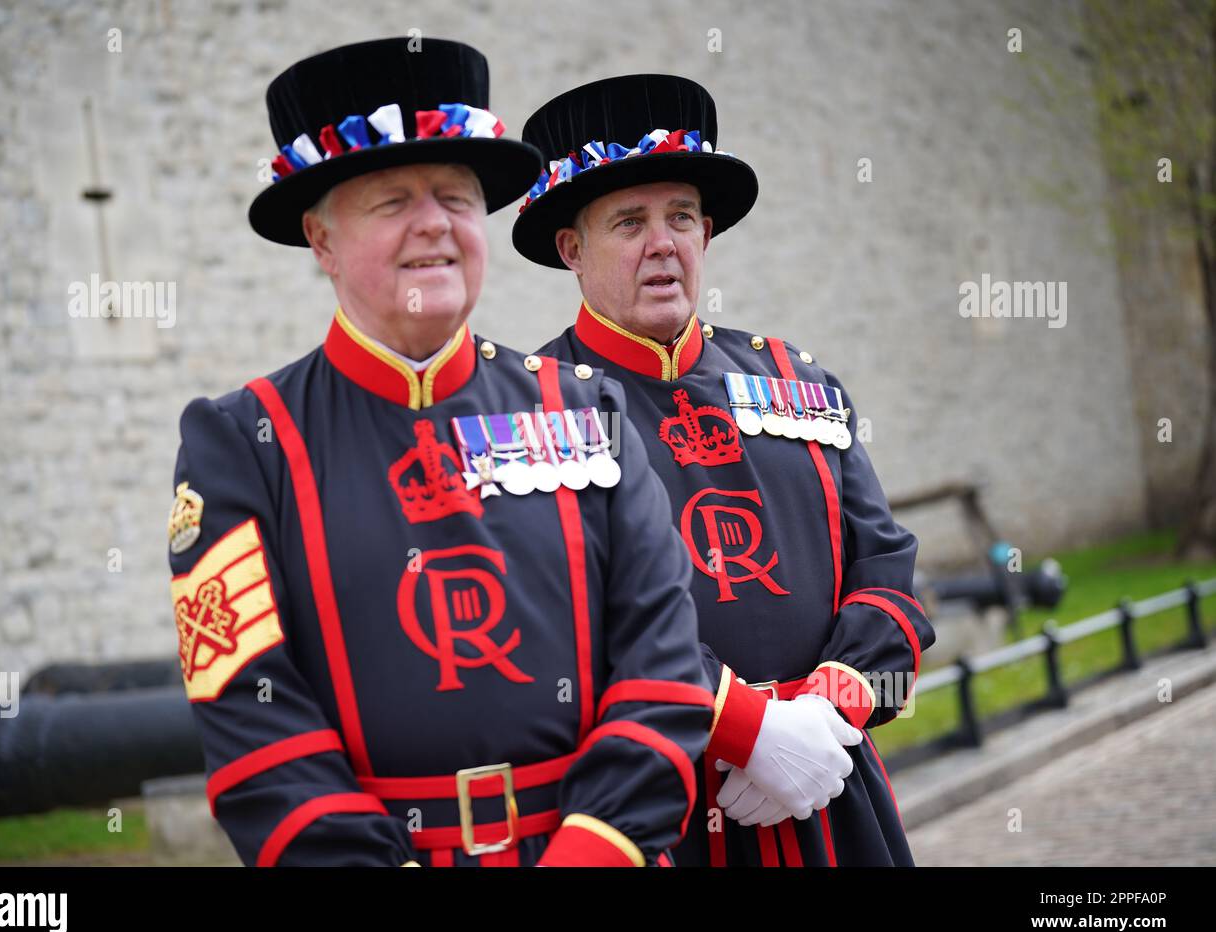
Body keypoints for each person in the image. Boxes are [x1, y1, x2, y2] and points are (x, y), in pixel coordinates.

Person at [167, 41, 714, 867]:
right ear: (320, 237)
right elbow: (250, 711)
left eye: (457, 198)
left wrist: (591, 851)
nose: (435, 225)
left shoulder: (587, 407)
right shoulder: (242, 443)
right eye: (392, 202)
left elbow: (664, 662)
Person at [517, 74, 936, 866]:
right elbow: (566, 628)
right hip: (657, 815)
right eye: (629, 222)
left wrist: (827, 708)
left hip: (829, 790)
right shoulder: (532, 414)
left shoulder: (799, 382)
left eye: (680, 217)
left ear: (707, 233)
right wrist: (742, 727)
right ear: (571, 248)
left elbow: (888, 576)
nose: (662, 243)